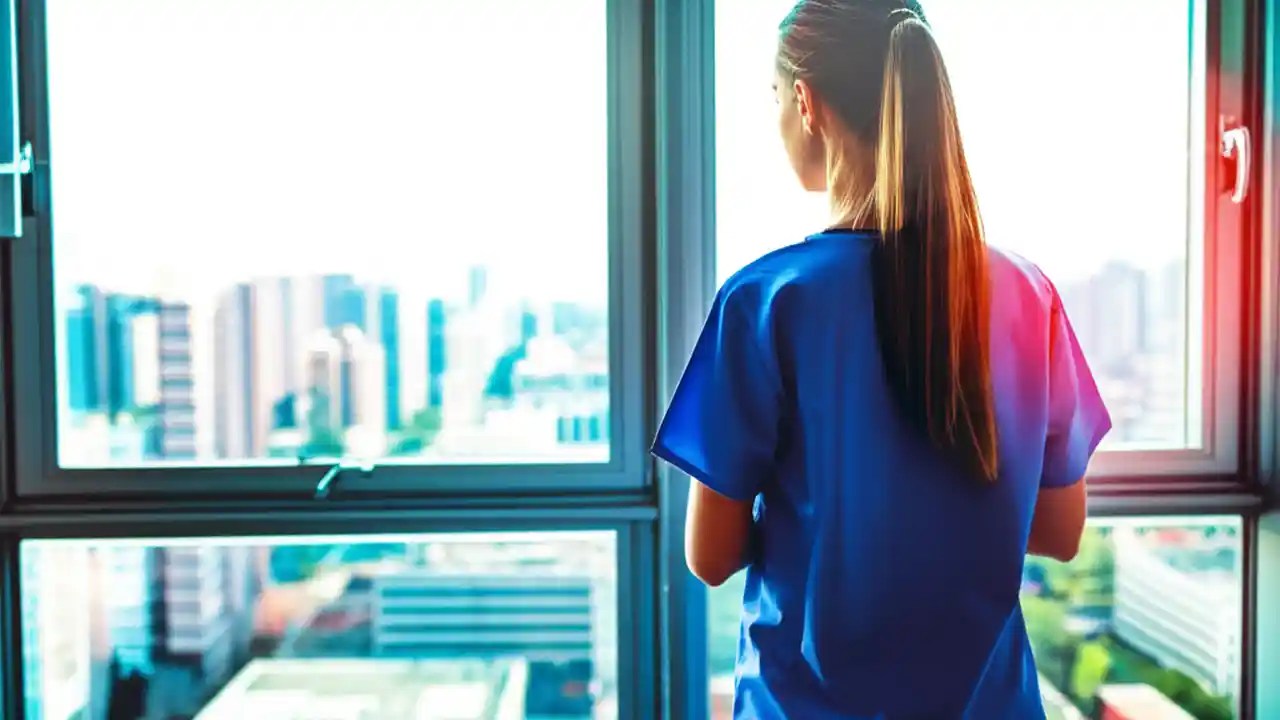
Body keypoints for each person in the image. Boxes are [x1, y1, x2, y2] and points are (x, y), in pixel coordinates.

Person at [650, 1, 1112, 717]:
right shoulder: (1028, 295)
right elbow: (1059, 532)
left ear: (805, 103)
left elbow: (710, 557)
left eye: (775, 98)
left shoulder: (767, 300)